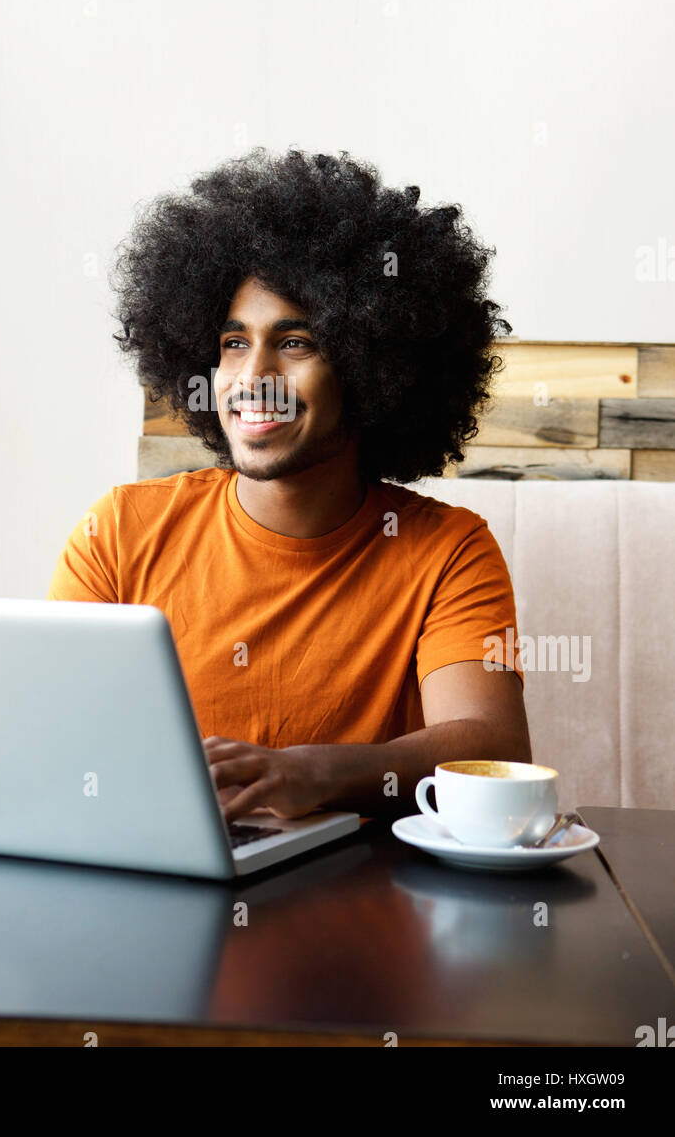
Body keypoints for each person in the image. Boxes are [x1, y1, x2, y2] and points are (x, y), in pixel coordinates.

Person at [48, 147, 530, 822]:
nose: (253, 378)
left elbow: (492, 744)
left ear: (371, 368)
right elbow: (53, 738)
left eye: (296, 342)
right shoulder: (119, 532)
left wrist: (310, 772)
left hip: (366, 902)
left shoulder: (447, 551)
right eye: (234, 343)